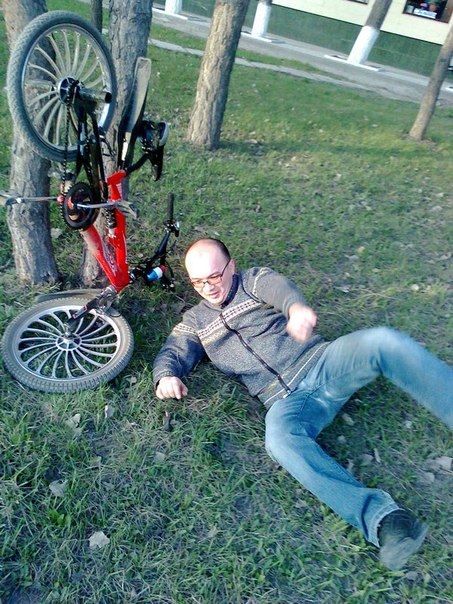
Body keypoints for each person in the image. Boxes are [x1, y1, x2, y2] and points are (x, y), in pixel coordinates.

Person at [153, 238, 452, 570]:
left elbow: (279, 289)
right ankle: (386, 520)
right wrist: (166, 376)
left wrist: (296, 309)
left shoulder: (252, 281)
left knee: (382, 341)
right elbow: (174, 349)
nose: (208, 287)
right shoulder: (195, 321)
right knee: (279, 441)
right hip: (285, 402)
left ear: (231, 266)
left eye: (214, 276)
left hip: (323, 364)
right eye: (198, 282)